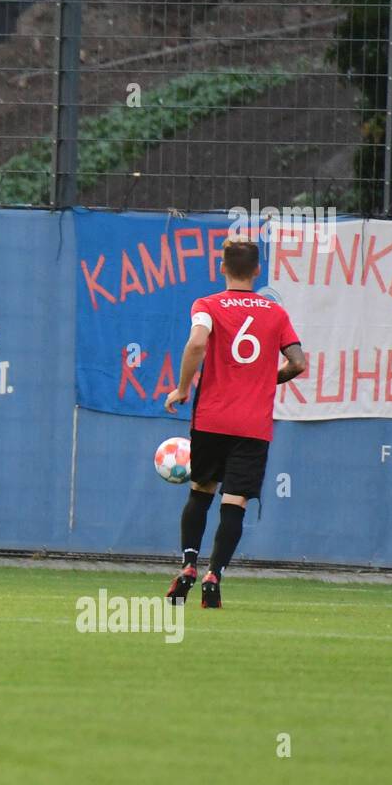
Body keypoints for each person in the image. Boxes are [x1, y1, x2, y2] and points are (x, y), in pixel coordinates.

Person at [163, 237, 305, 608]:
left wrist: (182, 388)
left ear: (222, 267)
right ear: (257, 270)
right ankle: (215, 574)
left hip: (211, 418)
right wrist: (267, 379)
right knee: (235, 501)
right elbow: (298, 363)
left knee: (201, 491)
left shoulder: (207, 305)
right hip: (252, 424)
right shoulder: (276, 313)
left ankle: (189, 564)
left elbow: (197, 343)